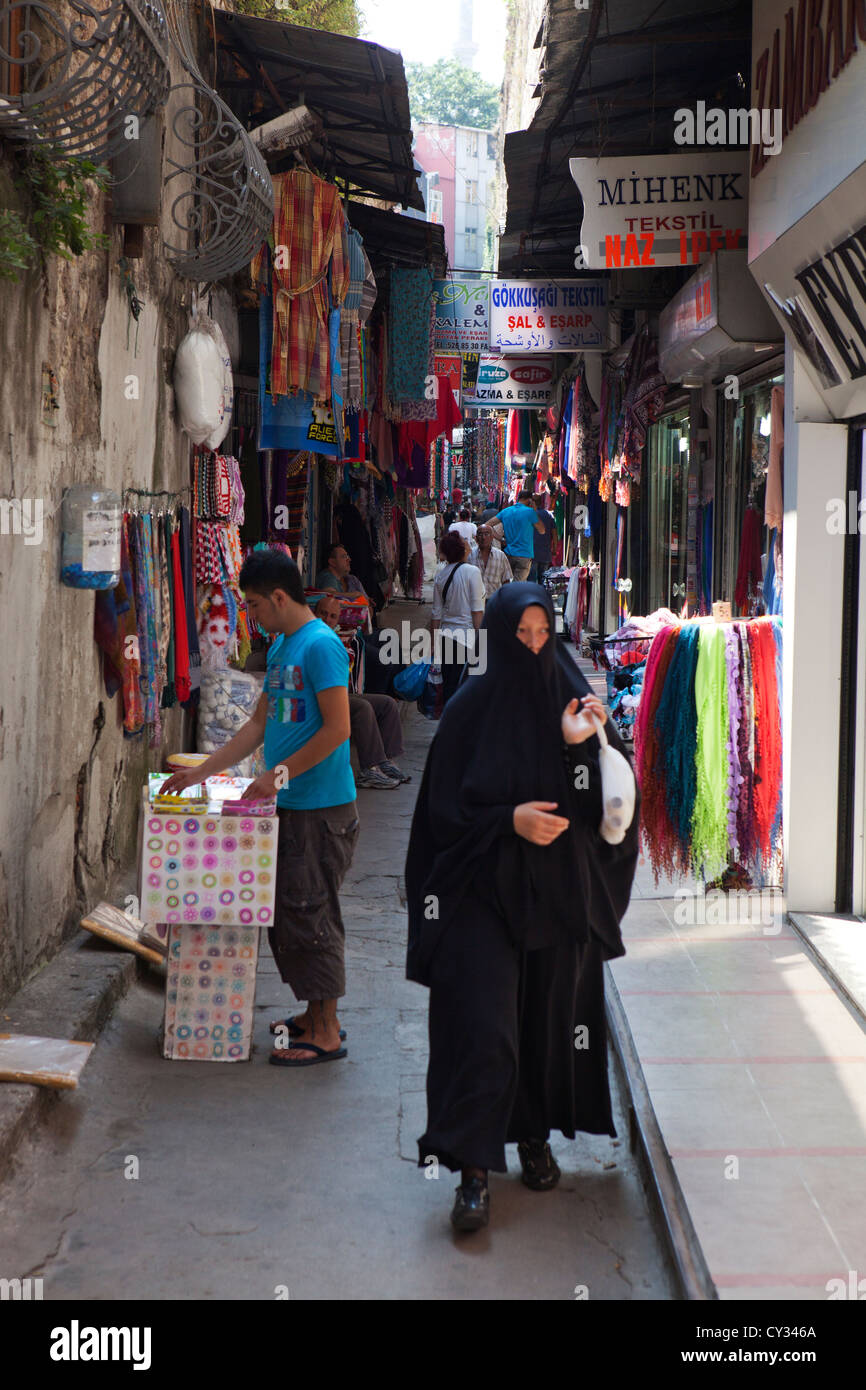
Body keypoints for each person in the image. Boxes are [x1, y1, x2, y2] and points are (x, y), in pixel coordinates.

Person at [405, 582, 640, 1232]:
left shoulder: (577, 704)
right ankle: (474, 1172)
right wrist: (509, 819)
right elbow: (442, 817)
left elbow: (608, 812)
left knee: (543, 1027)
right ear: (501, 636)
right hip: (479, 895)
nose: (534, 645)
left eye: (544, 633)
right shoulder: (468, 712)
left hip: (556, 897)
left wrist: (576, 746)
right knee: (486, 1030)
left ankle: (532, 1137)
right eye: (522, 634)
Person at [160, 550, 358, 1069]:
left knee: (313, 912)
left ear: (278, 596)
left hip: (321, 807)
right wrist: (203, 771)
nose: (249, 614)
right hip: (290, 804)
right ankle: (313, 1014)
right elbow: (254, 728)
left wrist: (278, 776)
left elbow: (339, 729)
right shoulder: (280, 648)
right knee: (291, 911)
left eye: (252, 604)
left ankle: (326, 1028)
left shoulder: (321, 646)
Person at [315, 592, 410, 788]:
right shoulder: (312, 636)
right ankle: (369, 769)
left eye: (332, 616)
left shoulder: (332, 637)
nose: (327, 619)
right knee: (362, 707)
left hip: (338, 693)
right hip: (320, 698)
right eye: (323, 614)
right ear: (315, 613)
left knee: (387, 703)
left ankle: (386, 762)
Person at [431, 530, 484, 707]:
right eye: (464, 541)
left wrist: (433, 644)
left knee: (449, 688)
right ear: (461, 549)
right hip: (467, 639)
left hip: (446, 638)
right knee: (467, 689)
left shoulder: (440, 575)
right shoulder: (472, 572)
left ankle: (448, 727)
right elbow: (477, 611)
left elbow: (436, 614)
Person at [487, 490, 545, 581]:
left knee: (506, 582)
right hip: (524, 555)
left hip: (508, 553)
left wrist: (500, 539)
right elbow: (542, 530)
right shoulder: (530, 512)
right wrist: (535, 511)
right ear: (530, 500)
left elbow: (487, 525)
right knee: (518, 586)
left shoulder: (506, 511)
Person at [471, 523, 513, 599]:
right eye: (480, 534)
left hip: (494, 599)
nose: (483, 537)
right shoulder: (470, 555)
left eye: (486, 534)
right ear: (476, 538)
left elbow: (506, 581)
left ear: (492, 537)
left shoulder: (500, 555)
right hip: (474, 599)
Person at [530, 493, 556, 583]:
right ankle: (542, 596)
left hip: (532, 552)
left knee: (532, 580)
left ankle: (533, 596)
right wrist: (555, 549)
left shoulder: (529, 515)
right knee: (544, 580)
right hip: (545, 552)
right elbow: (554, 533)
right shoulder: (549, 515)